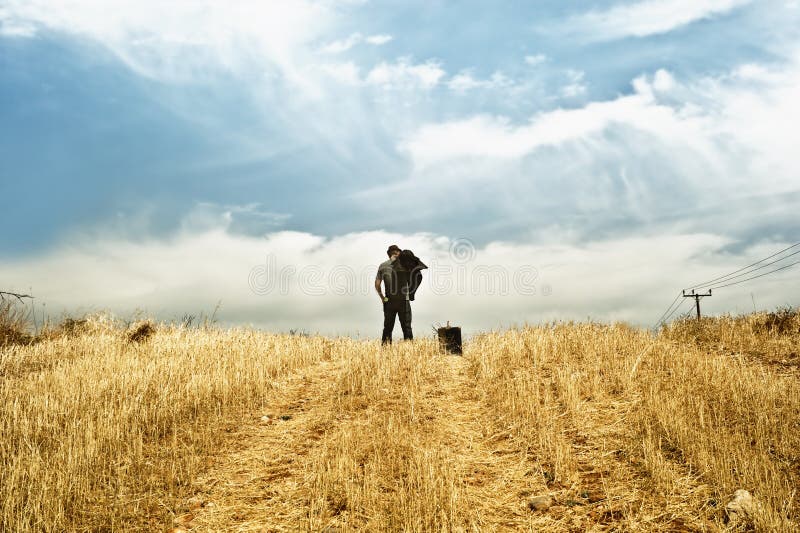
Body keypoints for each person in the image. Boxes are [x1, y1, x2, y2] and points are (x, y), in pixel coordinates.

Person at [375, 245, 426, 344]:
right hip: (404, 300)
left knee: (388, 328)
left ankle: (385, 353)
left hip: (389, 300)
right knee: (407, 327)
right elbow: (416, 275)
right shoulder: (405, 264)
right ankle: (409, 351)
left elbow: (377, 284)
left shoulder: (382, 265)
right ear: (397, 253)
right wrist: (412, 291)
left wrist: (382, 297)